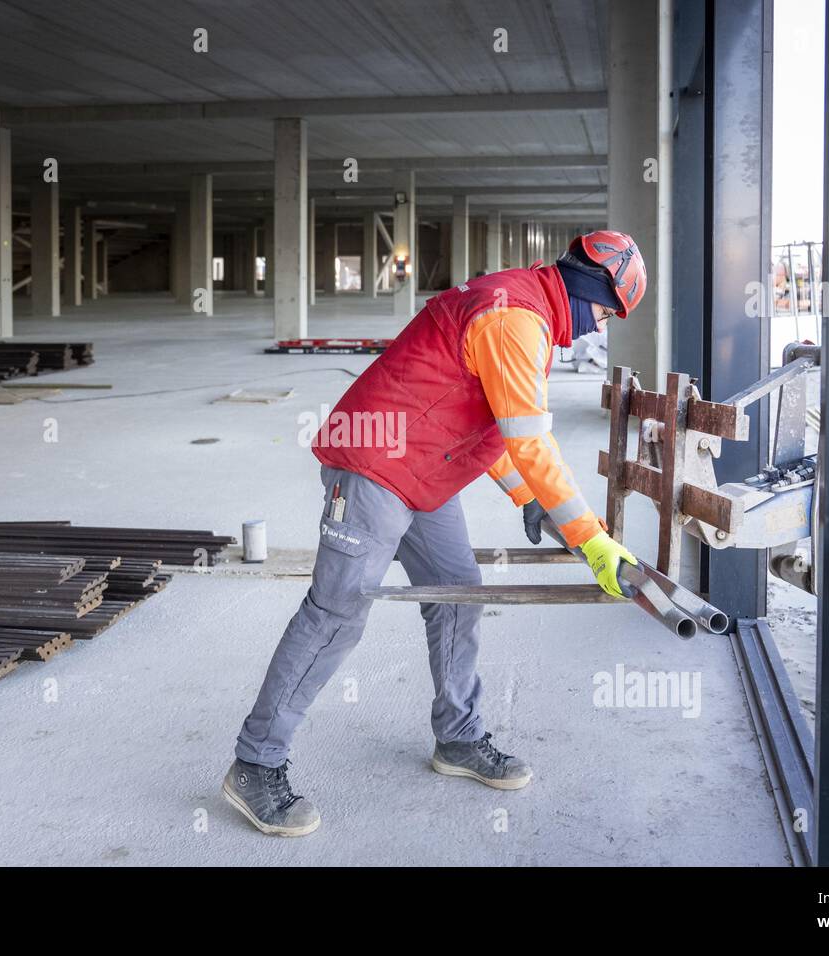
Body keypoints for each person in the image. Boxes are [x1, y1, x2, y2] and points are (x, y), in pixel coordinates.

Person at [223, 231, 648, 836]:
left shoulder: (521, 304)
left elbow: (490, 417)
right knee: (336, 614)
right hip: (376, 463)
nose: (599, 329)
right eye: (606, 313)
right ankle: (255, 763)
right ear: (588, 291)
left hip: (423, 469)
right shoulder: (515, 318)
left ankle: (459, 738)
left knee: (457, 594)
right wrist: (591, 537)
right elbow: (530, 439)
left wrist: (527, 495)